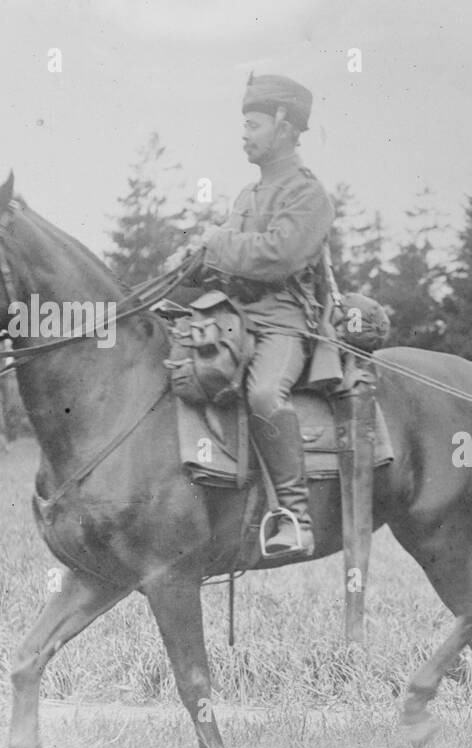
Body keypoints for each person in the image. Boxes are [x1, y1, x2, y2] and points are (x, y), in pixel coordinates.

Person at [197, 72, 335, 558]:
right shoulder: (246, 196)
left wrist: (216, 243)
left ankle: (295, 518)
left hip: (283, 322)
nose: (244, 134)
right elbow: (224, 260)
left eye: (252, 124)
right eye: (243, 124)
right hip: (234, 318)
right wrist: (190, 260)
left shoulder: (308, 194)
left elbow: (279, 255)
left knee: (262, 393)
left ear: (283, 125)